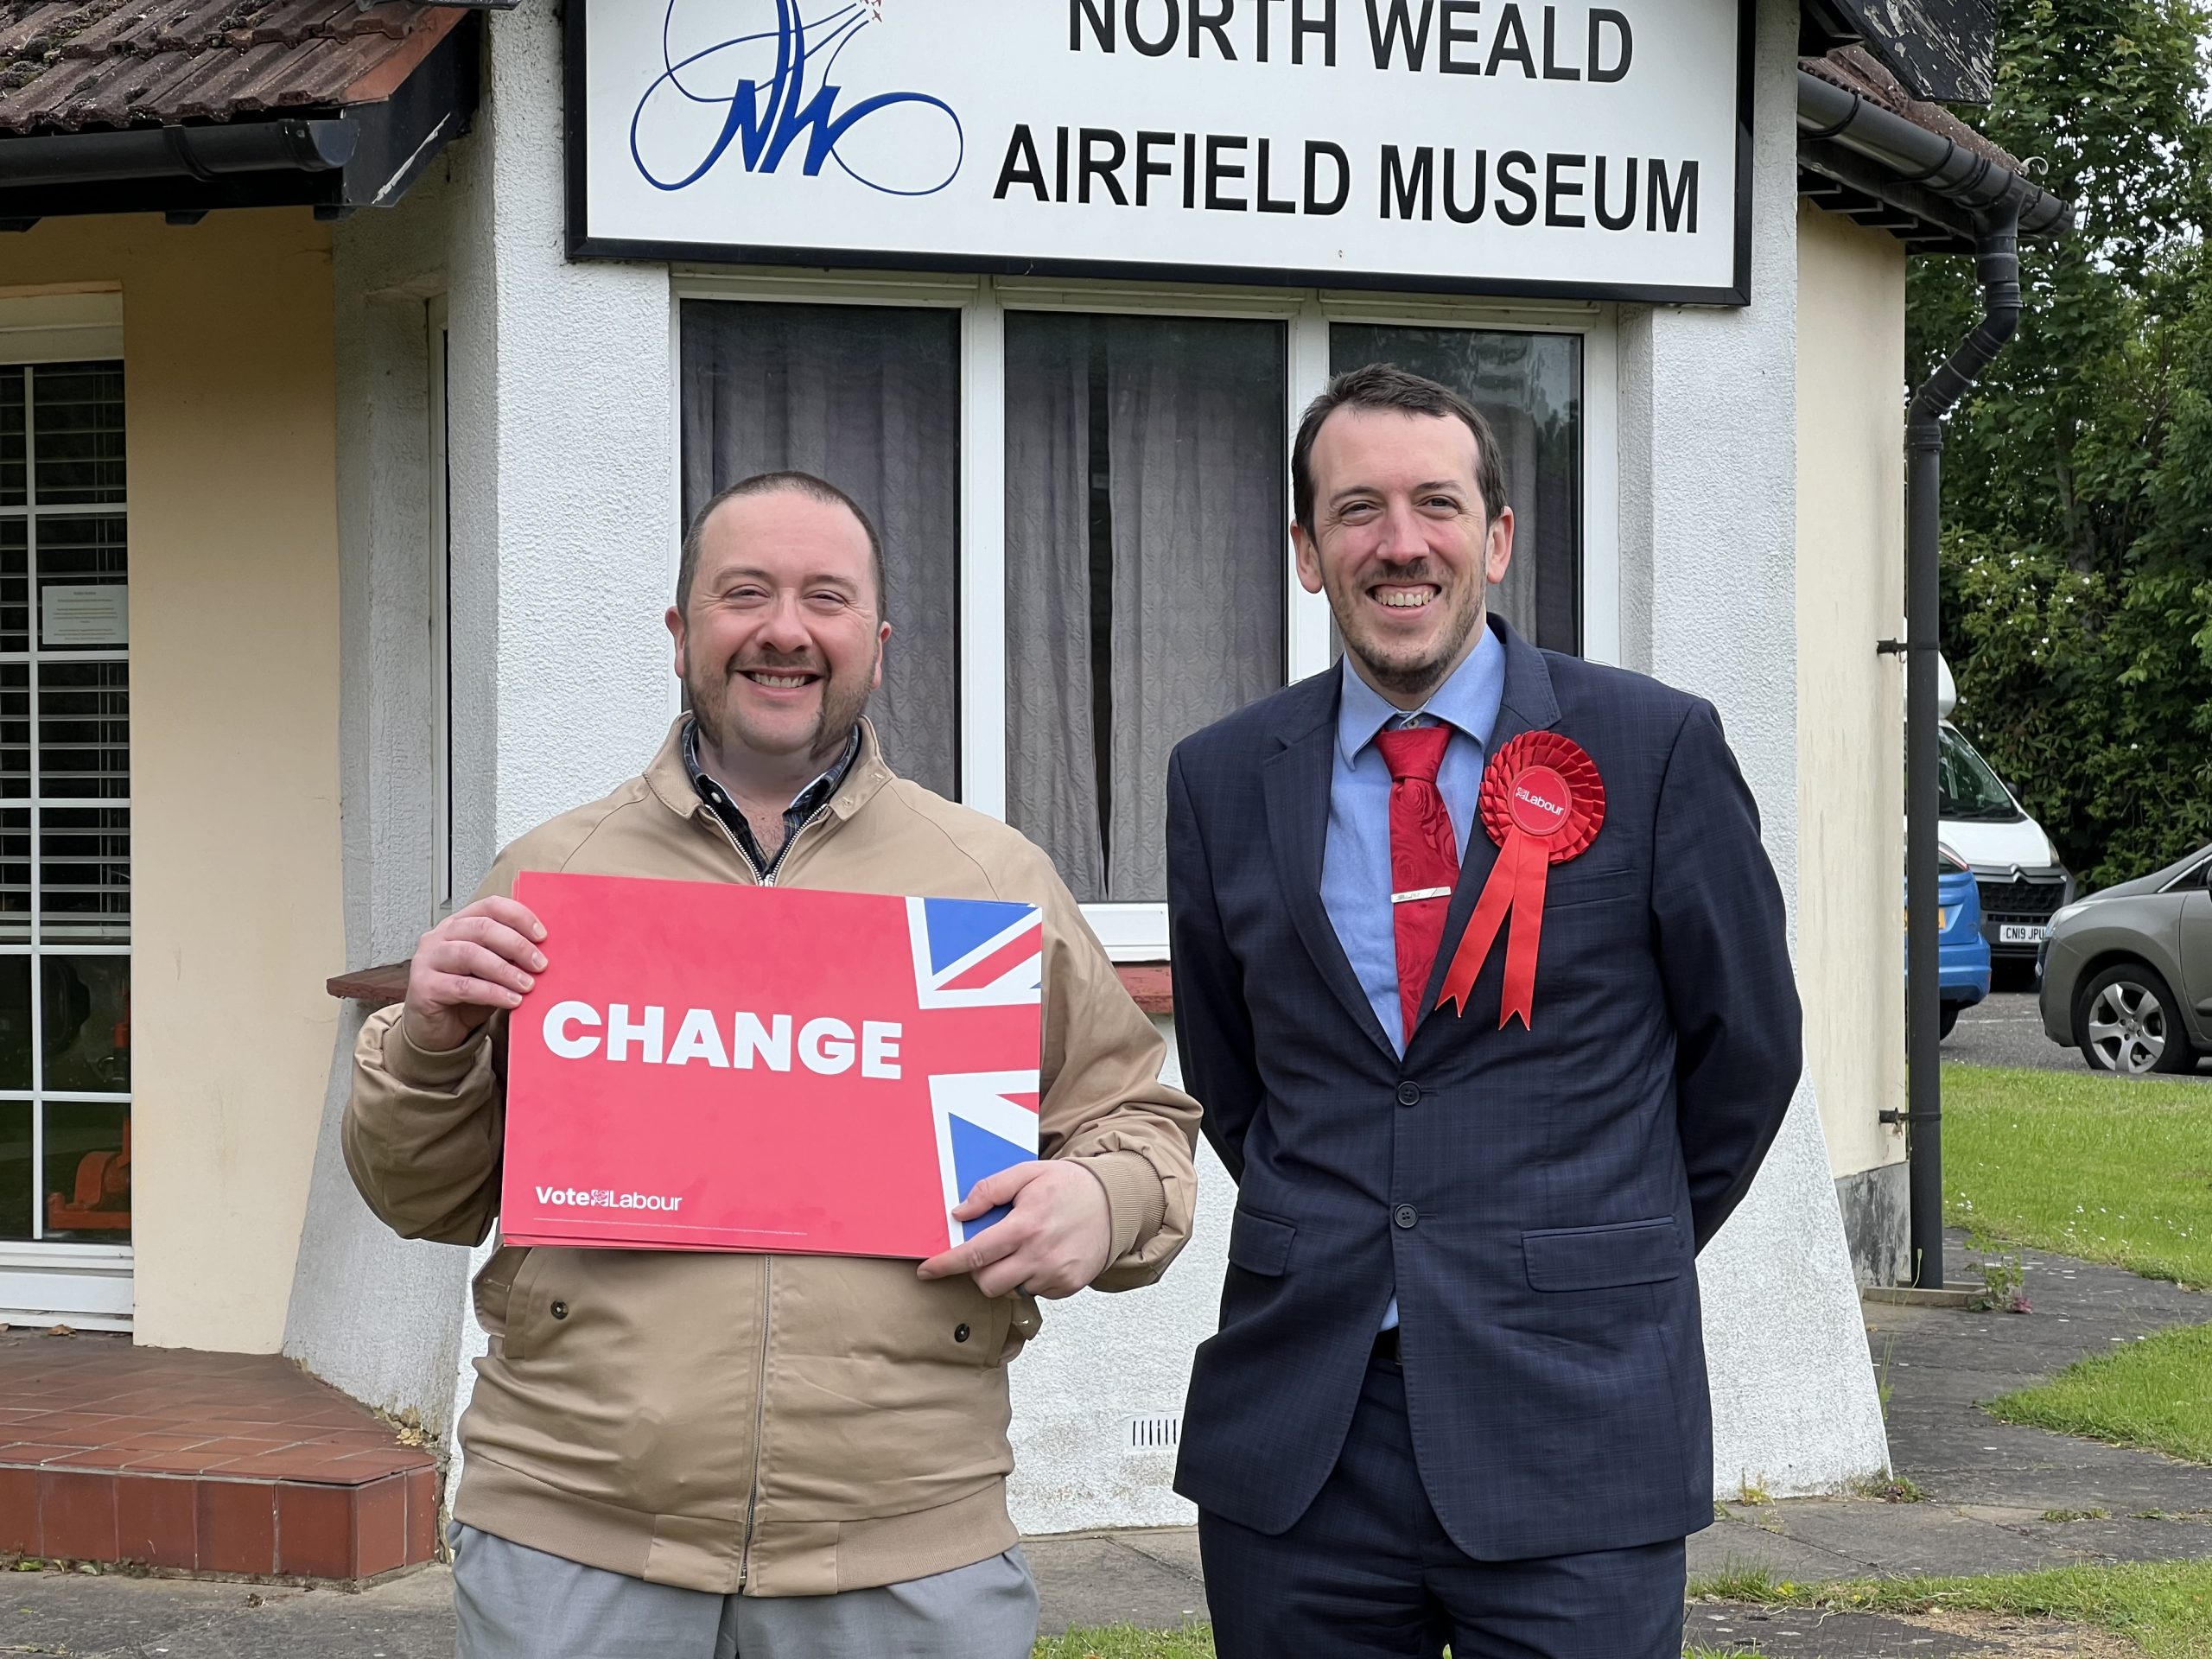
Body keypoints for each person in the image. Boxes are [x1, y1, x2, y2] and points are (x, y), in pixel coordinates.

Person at [345, 470, 1199, 1659]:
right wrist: (429, 1043)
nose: (784, 629)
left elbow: (1140, 1123)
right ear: (682, 632)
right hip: (575, 1536)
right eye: (744, 594)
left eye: (825, 599)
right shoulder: (556, 877)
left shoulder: (988, 882)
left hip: (908, 1546)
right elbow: (419, 1196)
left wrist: (1105, 1201)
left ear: (878, 643)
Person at [1166, 365, 1803, 1657]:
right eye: (1356, 511)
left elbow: (1749, 1052)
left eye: (1436, 505)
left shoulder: (1655, 747)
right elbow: (1237, 1082)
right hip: (1304, 1447)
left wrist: (1593, 1242)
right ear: (1306, 551)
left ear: (1498, 539)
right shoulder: (1221, 777)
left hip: (1576, 1426)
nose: (1400, 544)